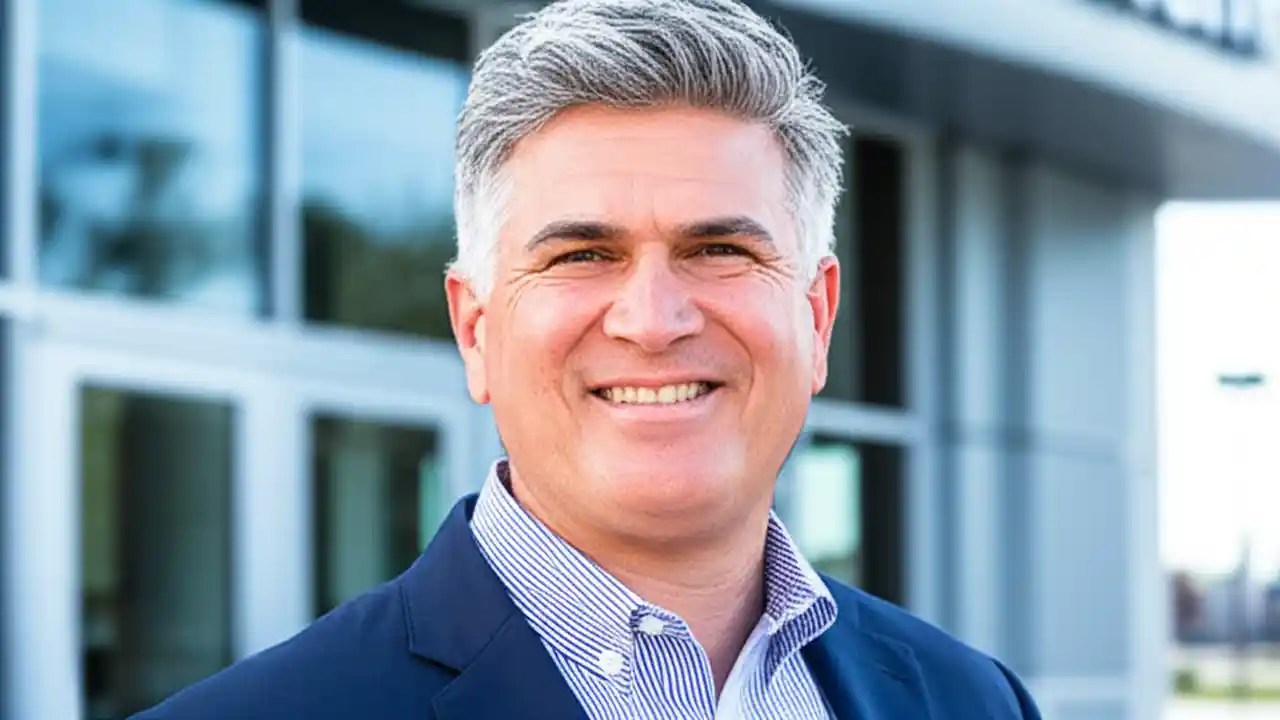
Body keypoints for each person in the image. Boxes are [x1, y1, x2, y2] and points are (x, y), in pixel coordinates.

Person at [134, 1, 1040, 717]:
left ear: (817, 316)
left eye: (720, 250)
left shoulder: (970, 700)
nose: (652, 321)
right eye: (580, 255)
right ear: (476, 329)